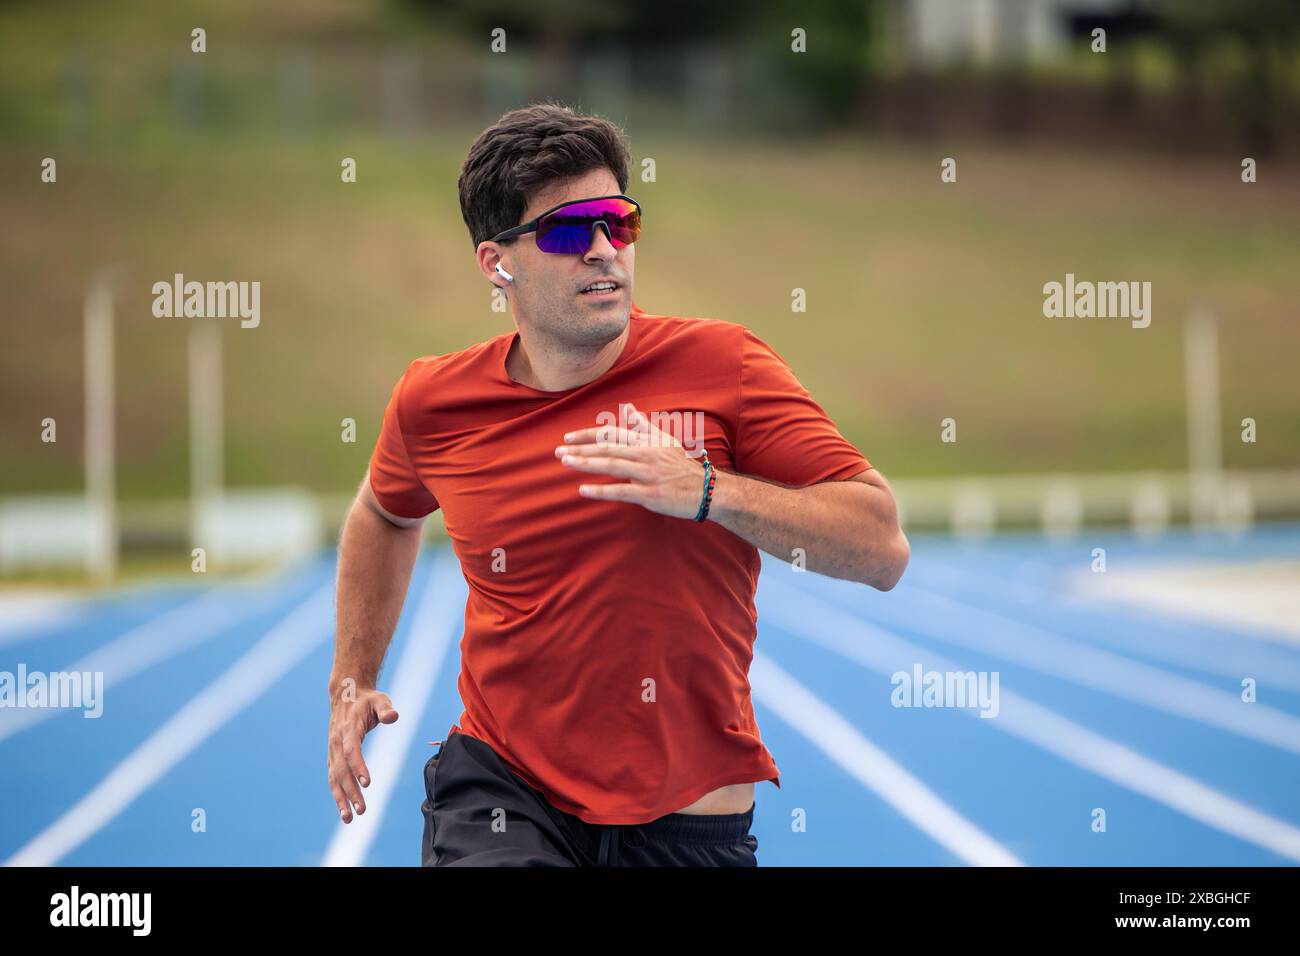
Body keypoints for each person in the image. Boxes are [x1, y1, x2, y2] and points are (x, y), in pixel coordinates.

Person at [326, 103, 909, 867]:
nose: (603, 249)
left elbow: (882, 547)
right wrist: (352, 681)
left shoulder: (724, 365)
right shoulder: (435, 402)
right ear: (496, 263)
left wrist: (708, 490)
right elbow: (383, 512)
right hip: (505, 791)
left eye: (618, 223)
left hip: (686, 824)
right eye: (570, 231)